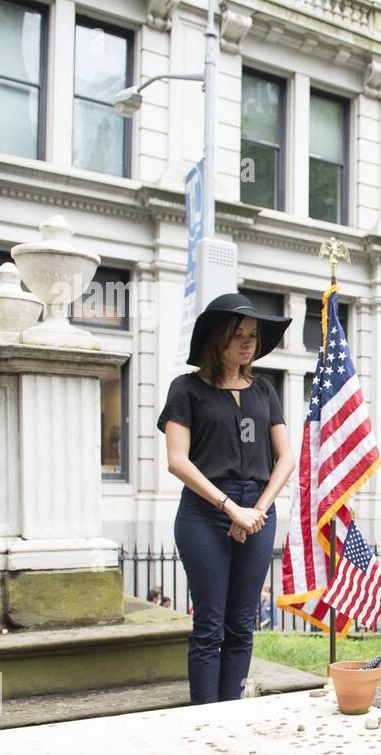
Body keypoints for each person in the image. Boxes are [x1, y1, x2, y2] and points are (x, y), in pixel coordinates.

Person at [157, 293, 295, 704]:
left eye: (253, 335)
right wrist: (229, 507)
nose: (248, 343)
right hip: (204, 512)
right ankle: (203, 718)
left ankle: (230, 715)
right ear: (217, 338)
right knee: (209, 625)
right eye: (238, 335)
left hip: (257, 509)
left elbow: (286, 458)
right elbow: (177, 461)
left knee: (241, 624)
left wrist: (257, 511)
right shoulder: (187, 389)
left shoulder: (264, 391)